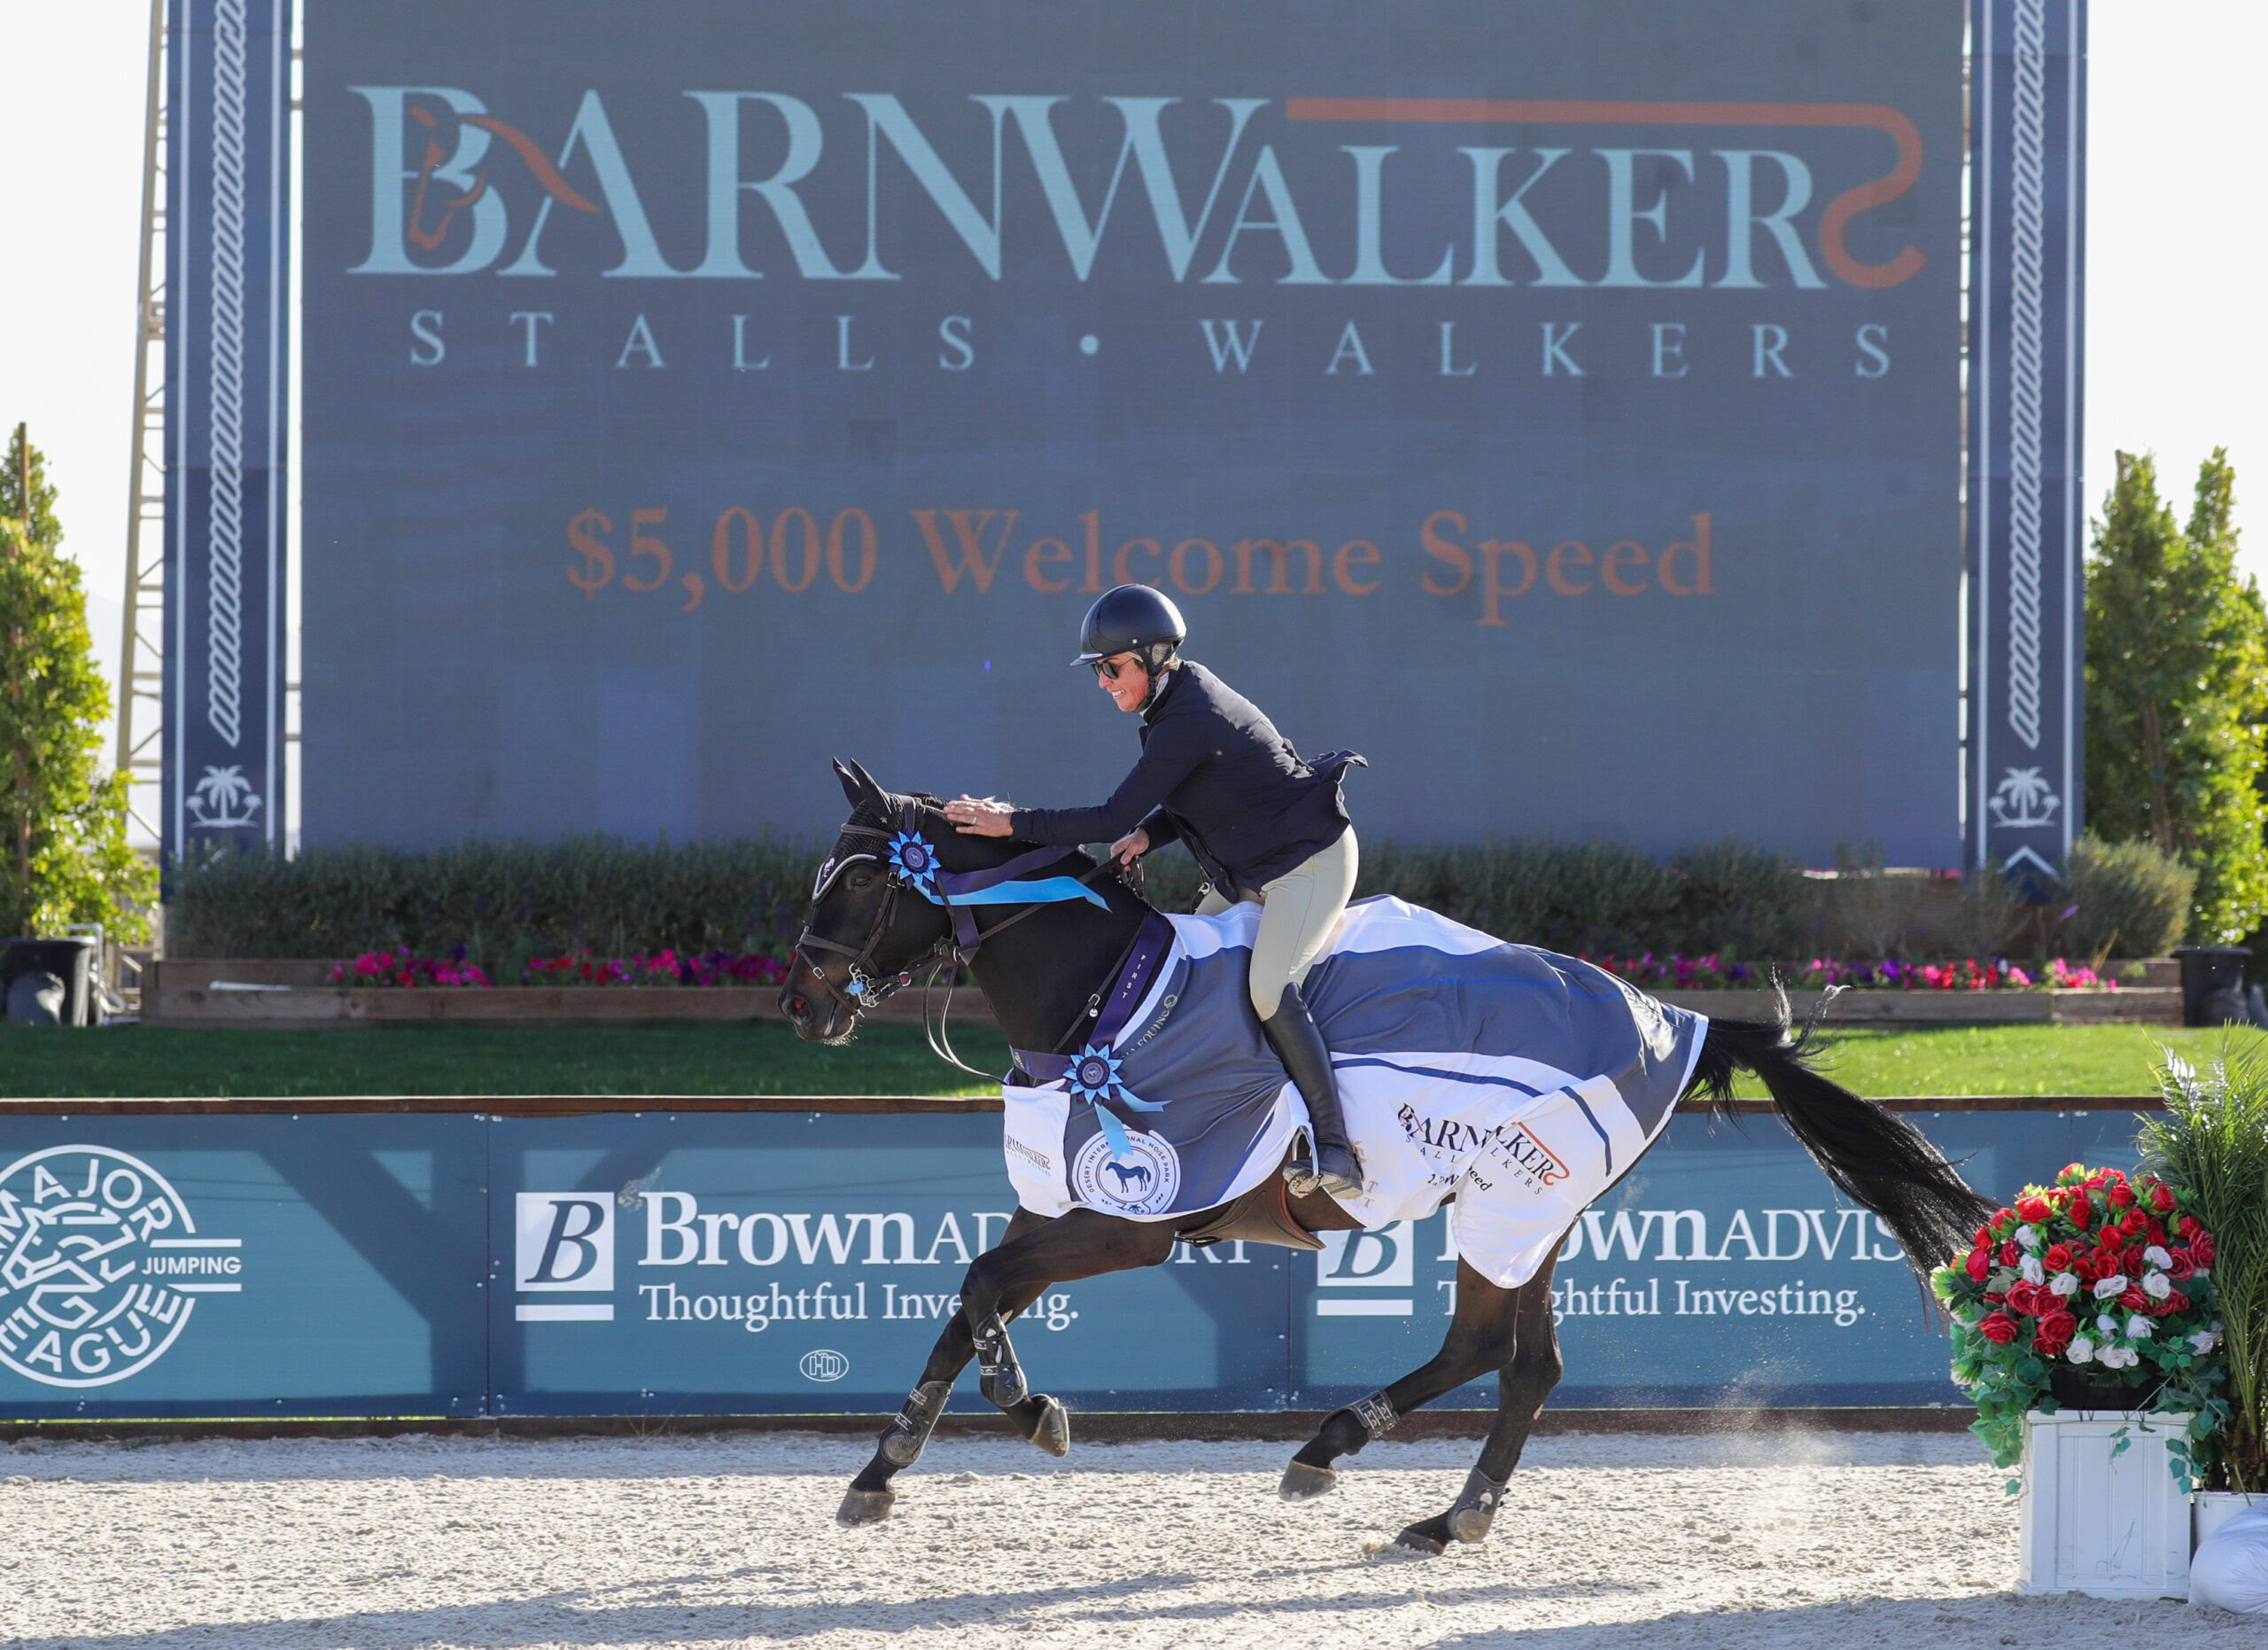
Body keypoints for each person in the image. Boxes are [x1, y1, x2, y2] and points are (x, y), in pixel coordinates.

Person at [944, 586, 1366, 1197]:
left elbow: (1108, 817)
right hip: (1253, 869)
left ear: (1150, 658)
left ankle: (1334, 1148)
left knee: (1269, 989)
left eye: (1110, 669)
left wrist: (1012, 823)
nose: (1102, 682)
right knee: (1189, 963)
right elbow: (1208, 790)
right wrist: (1151, 834)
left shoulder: (1188, 717)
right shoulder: (1176, 704)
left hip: (1308, 866)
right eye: (1098, 670)